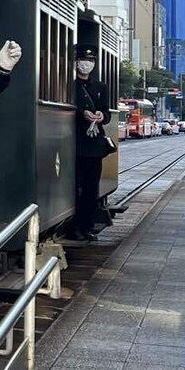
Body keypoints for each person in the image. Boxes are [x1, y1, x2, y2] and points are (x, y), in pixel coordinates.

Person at [72, 48, 112, 240]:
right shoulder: (69, 85)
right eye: (82, 59)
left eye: (89, 60)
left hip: (94, 146)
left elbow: (107, 113)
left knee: (91, 188)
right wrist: (82, 114)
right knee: (76, 188)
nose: (86, 63)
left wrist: (101, 116)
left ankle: (87, 226)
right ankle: (75, 227)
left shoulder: (100, 87)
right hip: (75, 143)